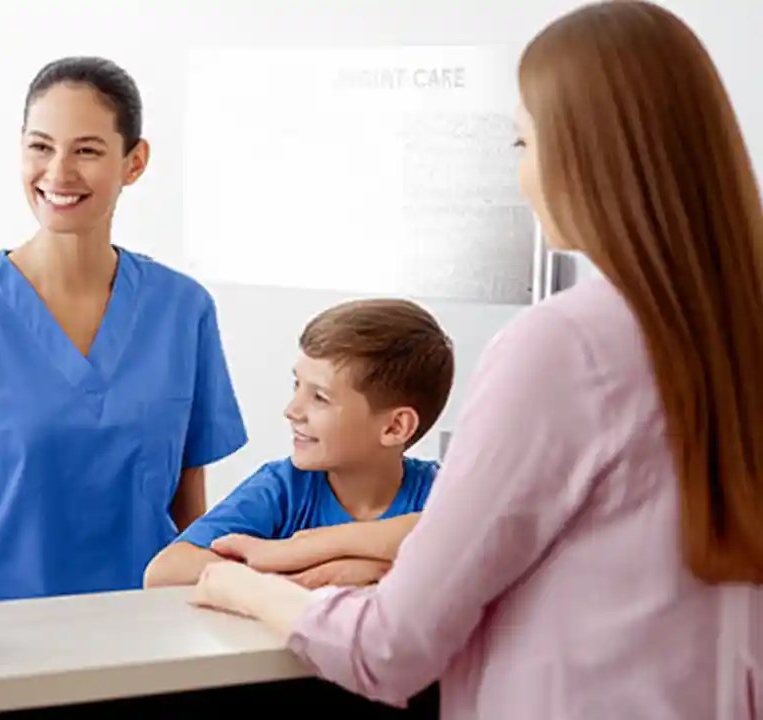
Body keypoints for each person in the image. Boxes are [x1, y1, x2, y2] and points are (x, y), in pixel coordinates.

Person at [188, 2, 763, 718]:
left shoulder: (564, 345)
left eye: (522, 143)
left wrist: (245, 588)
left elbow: (389, 648)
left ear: (583, 155)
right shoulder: (736, 341)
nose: (521, 173)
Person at [0, 56, 248, 603]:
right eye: (40, 146)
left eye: (87, 150)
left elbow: (188, 502)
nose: (58, 172)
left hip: (147, 632)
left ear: (134, 162)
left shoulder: (183, 310)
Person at [144, 299, 453, 589]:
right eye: (297, 386)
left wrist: (301, 548)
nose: (292, 410)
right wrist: (318, 574)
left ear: (395, 427)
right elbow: (165, 572)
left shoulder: (440, 492)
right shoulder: (282, 488)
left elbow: (470, 537)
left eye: (320, 397)